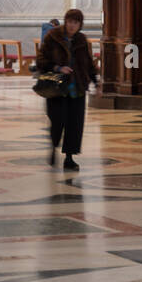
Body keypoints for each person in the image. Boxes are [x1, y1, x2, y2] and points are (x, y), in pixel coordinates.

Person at [38, 10, 97, 171]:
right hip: (57, 88)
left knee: (75, 124)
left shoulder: (81, 40)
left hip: (76, 88)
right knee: (58, 121)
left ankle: (69, 158)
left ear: (80, 25)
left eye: (76, 23)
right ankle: (53, 147)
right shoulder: (53, 37)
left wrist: (94, 79)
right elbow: (41, 59)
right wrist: (58, 67)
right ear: (66, 21)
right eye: (70, 22)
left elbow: (88, 62)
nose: (72, 25)